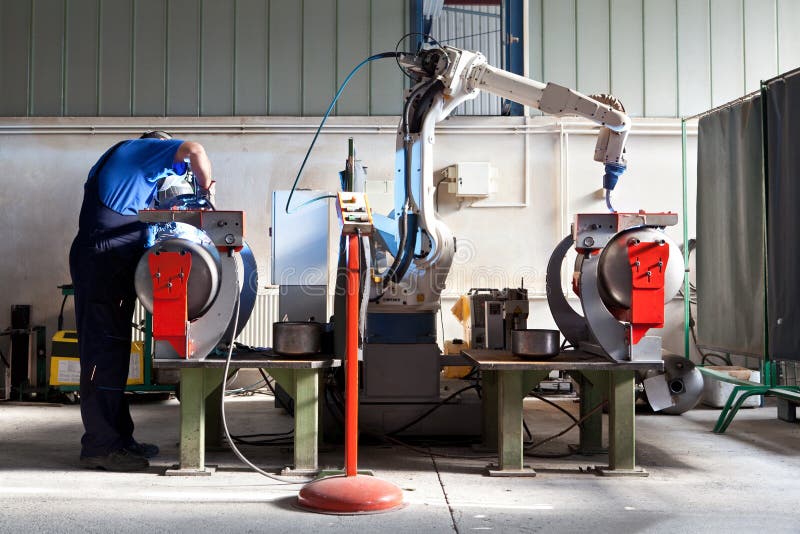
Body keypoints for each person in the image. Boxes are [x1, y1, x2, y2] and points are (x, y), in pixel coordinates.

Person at [70, 130, 215, 472]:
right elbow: (195, 149)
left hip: (111, 257)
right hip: (102, 258)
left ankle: (120, 439)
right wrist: (207, 194)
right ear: (162, 149)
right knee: (103, 355)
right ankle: (100, 446)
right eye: (174, 168)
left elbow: (148, 225)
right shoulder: (142, 151)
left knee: (115, 352)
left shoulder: (132, 173)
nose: (173, 175)